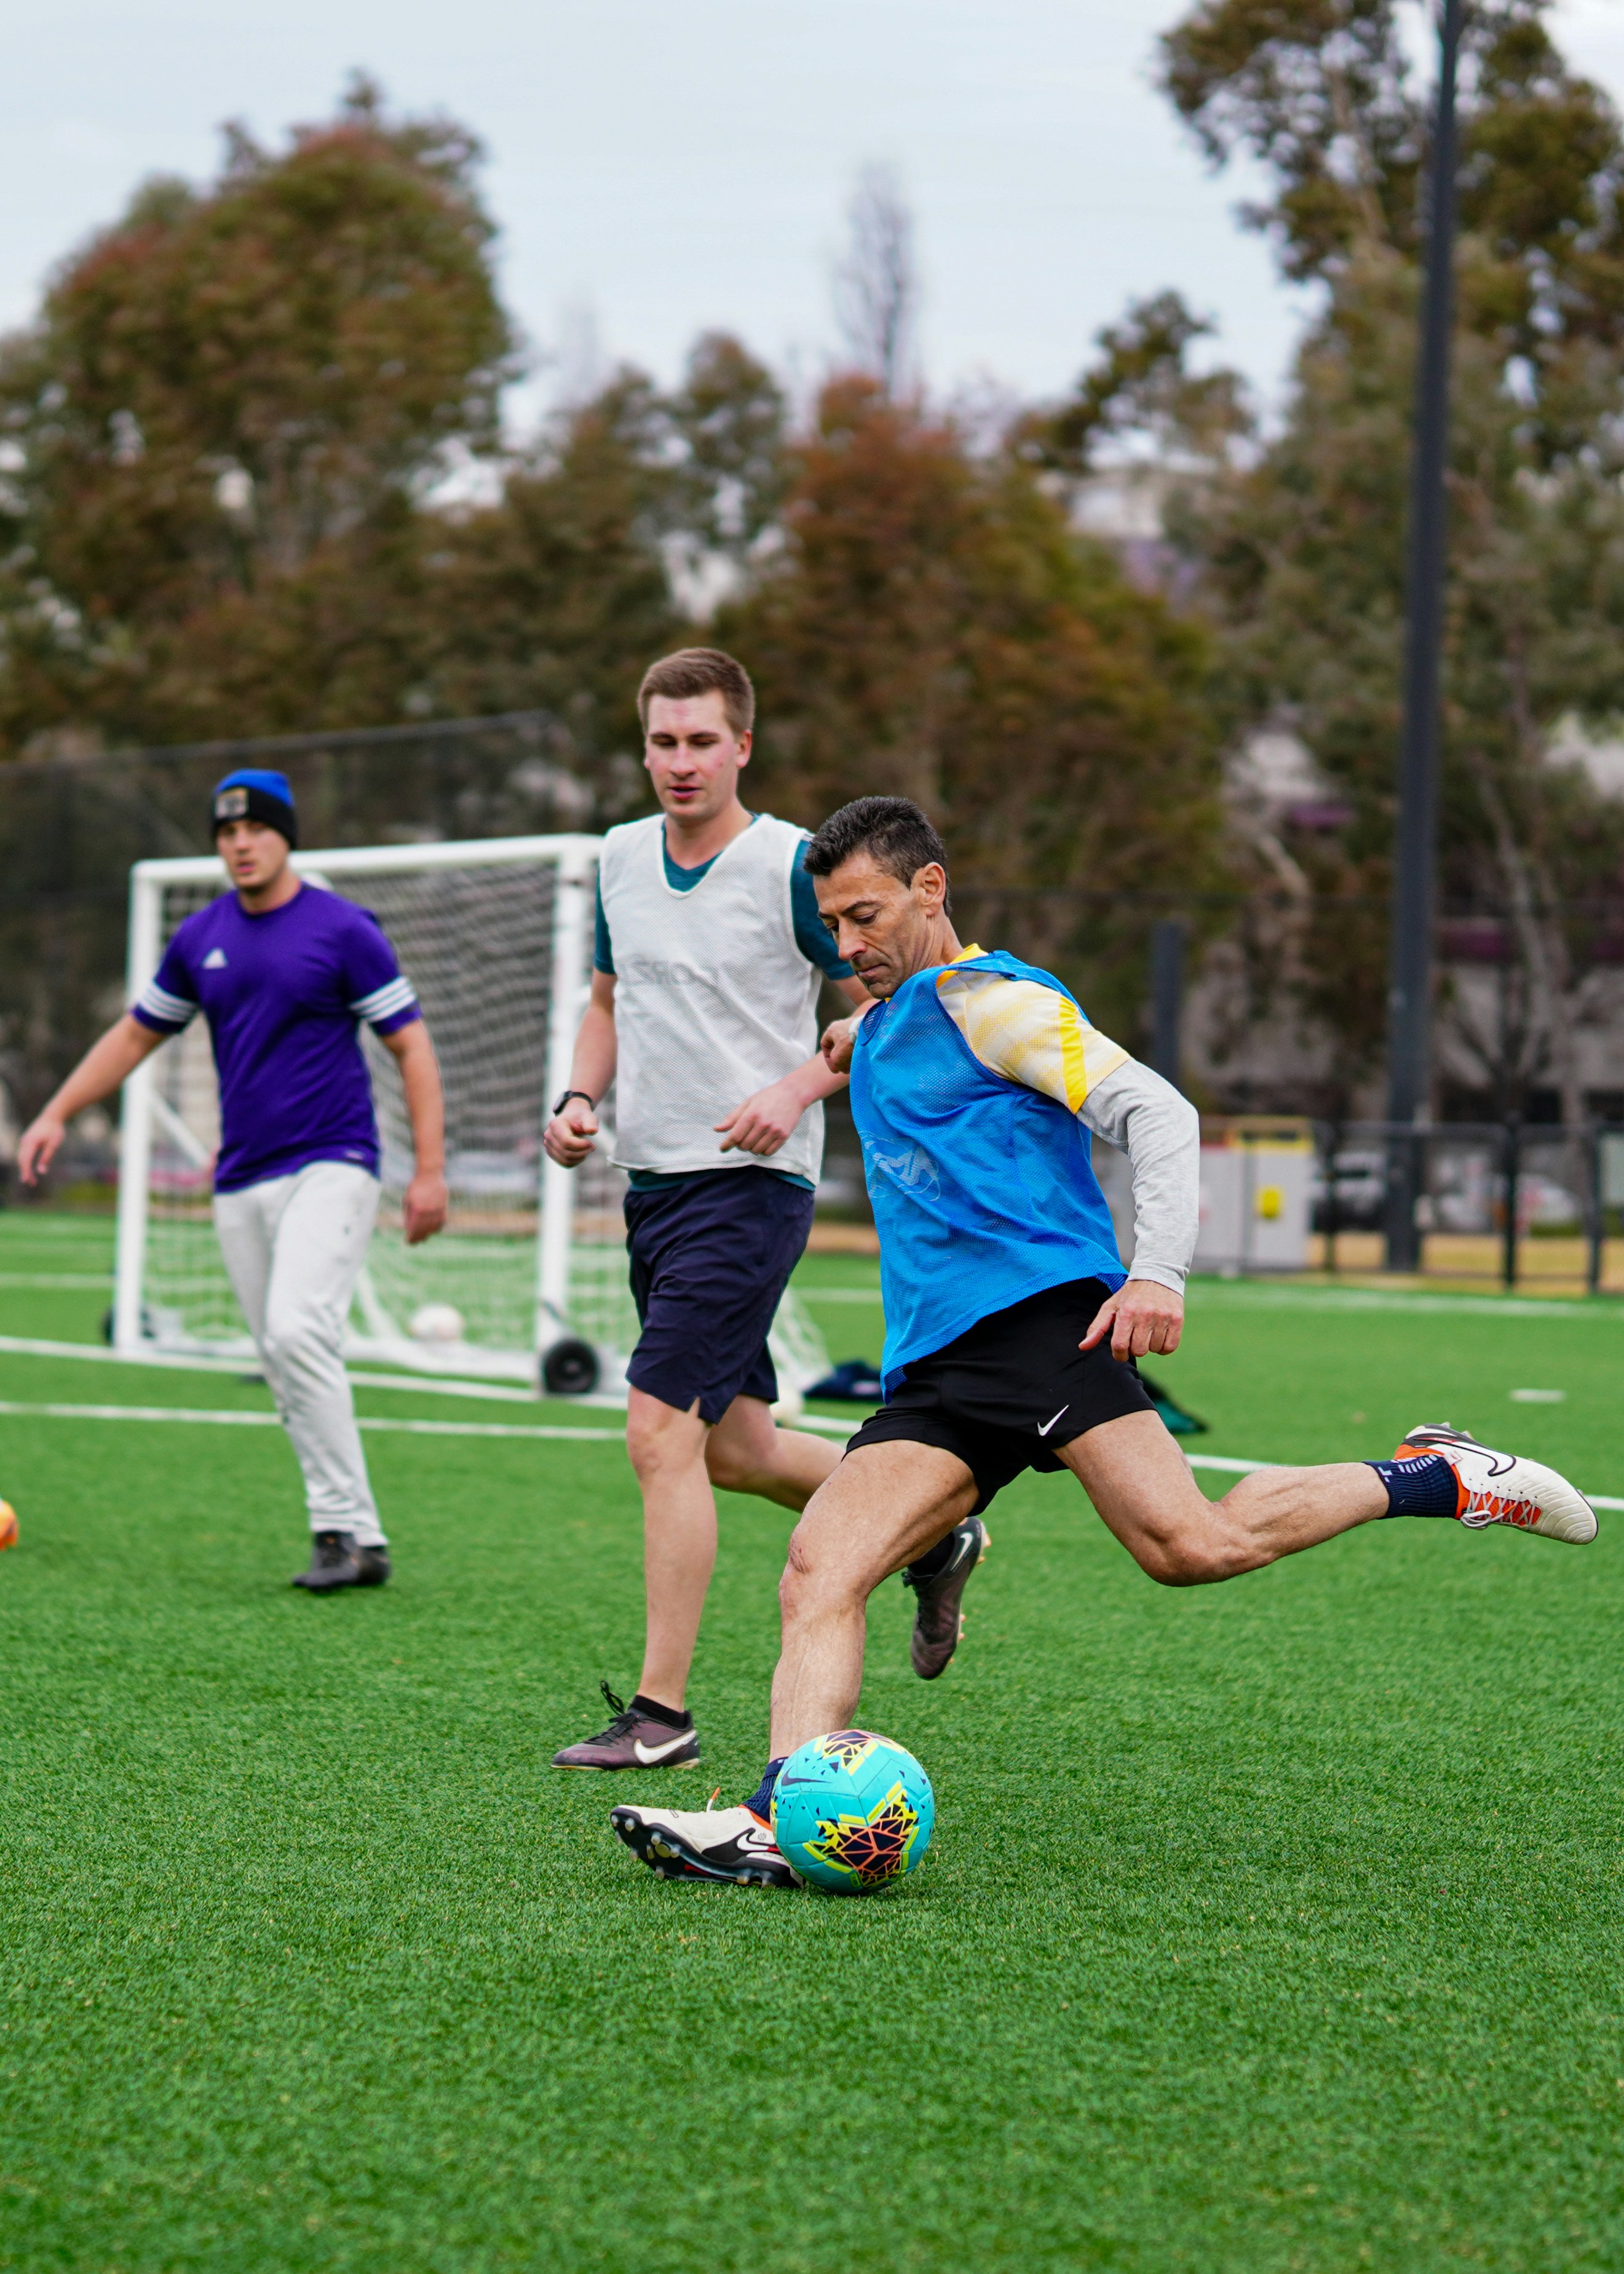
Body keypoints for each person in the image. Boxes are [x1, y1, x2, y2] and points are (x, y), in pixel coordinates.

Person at [609, 795, 1597, 1885]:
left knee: (1189, 1546)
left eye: (864, 915)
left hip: (1044, 1325)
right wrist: (816, 1058)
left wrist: (1155, 1271)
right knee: (817, 1568)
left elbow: (1158, 1115)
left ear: (930, 889)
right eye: (831, 923)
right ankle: (778, 1815)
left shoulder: (997, 1004)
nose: (845, 944)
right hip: (934, 1367)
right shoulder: (893, 1016)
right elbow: (859, 1046)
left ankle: (1434, 1474)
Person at [544, 648, 876, 1771]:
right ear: (643, 748)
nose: (680, 762)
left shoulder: (793, 864)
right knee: (735, 1450)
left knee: (655, 1433)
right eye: (662, 742)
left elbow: (886, 1002)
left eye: (702, 742)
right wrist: (580, 1095)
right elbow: (607, 1000)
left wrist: (794, 1089)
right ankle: (926, 1520)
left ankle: (662, 1716)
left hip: (753, 1190)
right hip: (653, 1185)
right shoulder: (618, 857)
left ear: (742, 746)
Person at [18, 768, 447, 1592]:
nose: (241, 844)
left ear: (286, 835)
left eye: (255, 829)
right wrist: (55, 1109)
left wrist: (428, 1172)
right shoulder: (201, 936)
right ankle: (346, 1536)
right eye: (226, 833)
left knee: (295, 1329)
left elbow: (412, 1046)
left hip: (334, 1160)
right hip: (239, 1177)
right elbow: (136, 1034)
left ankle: (353, 1532)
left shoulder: (342, 928)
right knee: (281, 1355)